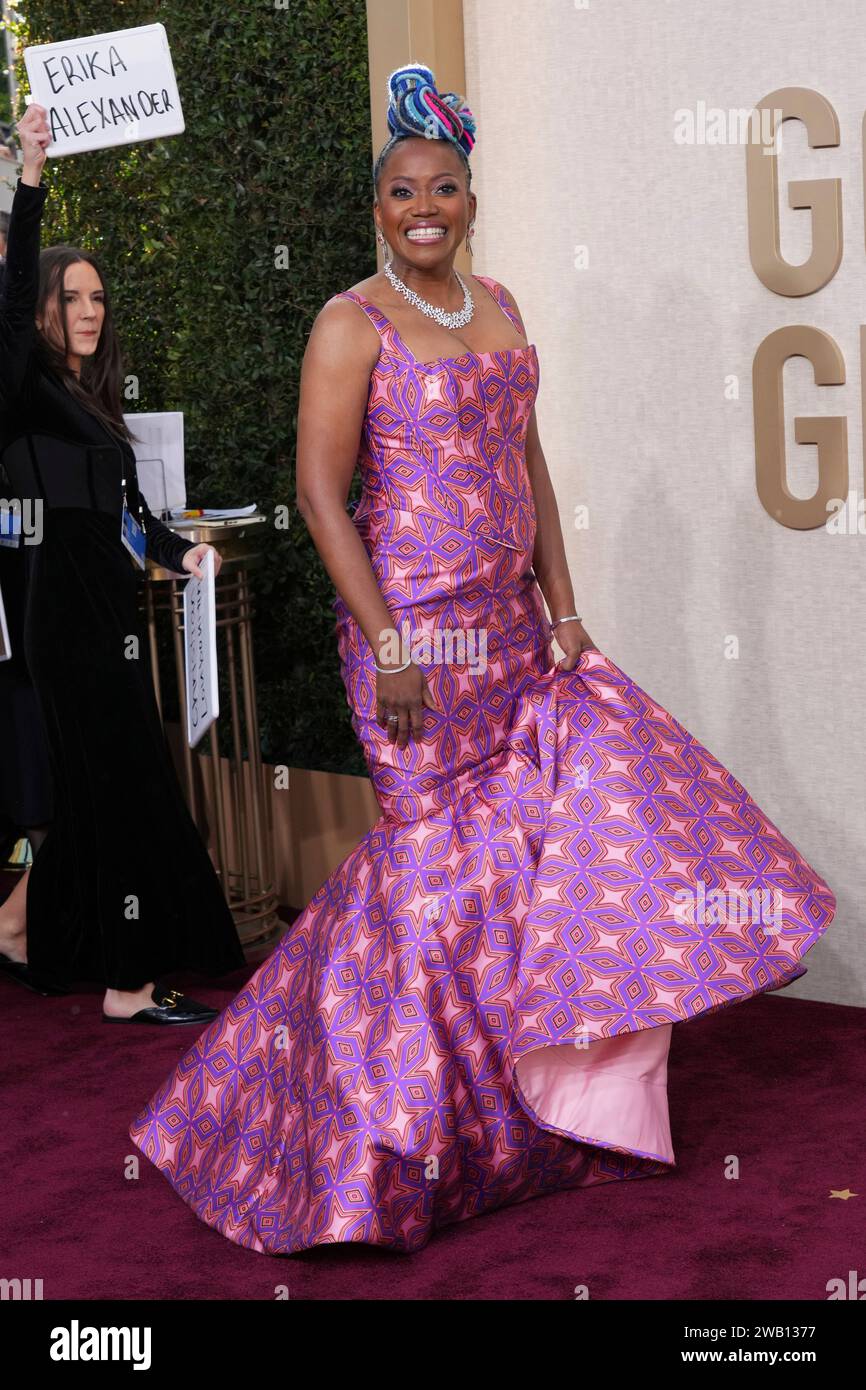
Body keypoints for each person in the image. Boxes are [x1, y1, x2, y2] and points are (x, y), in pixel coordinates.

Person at [129, 65, 836, 1251]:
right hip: (409, 644)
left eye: (442, 187)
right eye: (401, 190)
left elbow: (528, 472)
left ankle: (512, 1124)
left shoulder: (496, 302)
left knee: (514, 873)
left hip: (510, 635)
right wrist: (393, 641)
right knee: (423, 878)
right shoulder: (347, 324)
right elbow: (317, 491)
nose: (424, 206)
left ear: (468, 198)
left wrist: (563, 607)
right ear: (377, 210)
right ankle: (364, 1144)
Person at [0, 103, 245, 1021]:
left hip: (109, 613)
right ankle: (128, 984)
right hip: (62, 613)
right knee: (128, 784)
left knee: (97, 790)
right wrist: (31, 173)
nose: (91, 310)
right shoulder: (20, 386)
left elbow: (135, 521)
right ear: (40, 311)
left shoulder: (92, 408)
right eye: (73, 298)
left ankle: (18, 928)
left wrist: (187, 557)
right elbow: (13, 287)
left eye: (100, 297)